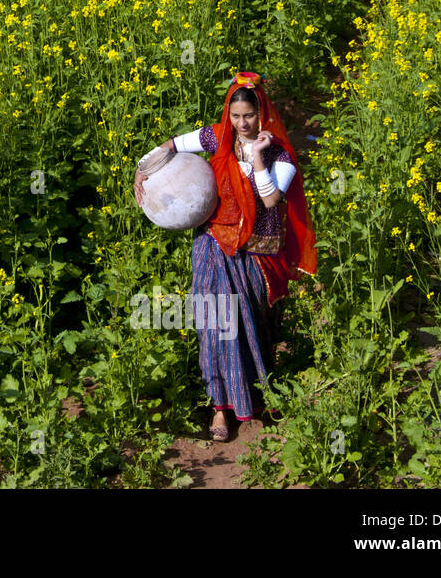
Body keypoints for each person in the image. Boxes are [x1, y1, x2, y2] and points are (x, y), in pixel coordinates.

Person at [132, 71, 317, 441]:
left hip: (254, 256)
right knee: (213, 324)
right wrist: (141, 171)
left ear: (261, 112)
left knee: (253, 325)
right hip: (213, 245)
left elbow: (269, 199)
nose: (242, 123)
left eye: (248, 115)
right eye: (235, 116)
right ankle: (219, 409)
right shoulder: (217, 138)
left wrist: (258, 158)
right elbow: (169, 146)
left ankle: (257, 398)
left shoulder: (281, 154)